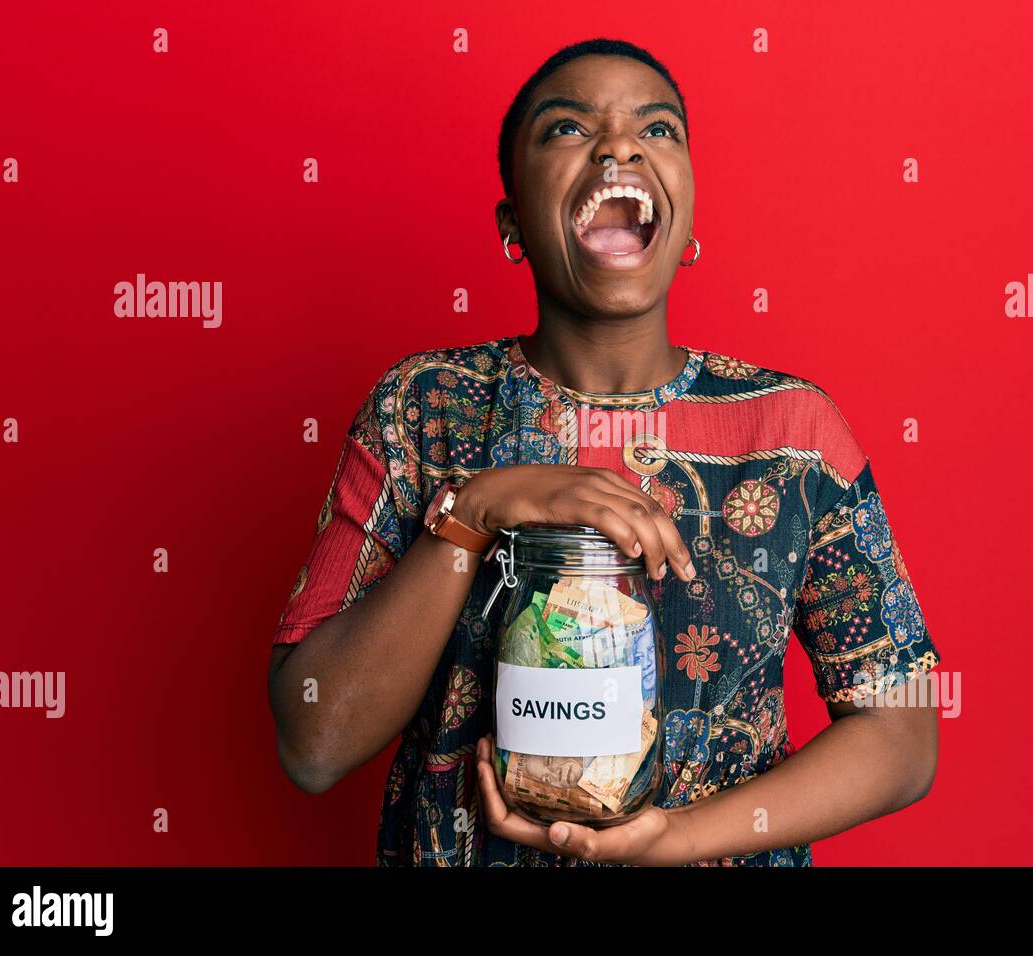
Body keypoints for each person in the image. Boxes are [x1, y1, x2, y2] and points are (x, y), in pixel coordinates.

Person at [267, 37, 942, 867]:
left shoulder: (792, 434)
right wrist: (474, 510)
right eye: (566, 130)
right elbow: (314, 739)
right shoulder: (424, 408)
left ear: (688, 217)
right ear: (514, 222)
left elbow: (904, 732)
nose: (620, 145)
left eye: (657, 130)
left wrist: (679, 838)